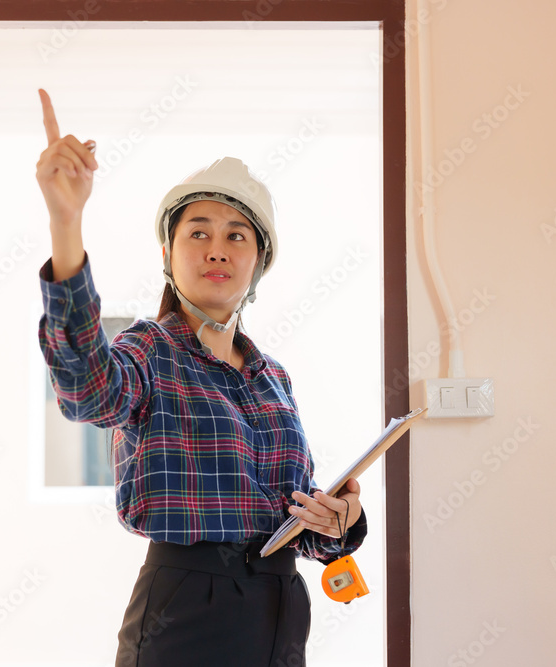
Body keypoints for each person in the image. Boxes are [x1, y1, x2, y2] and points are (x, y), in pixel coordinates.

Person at [34, 88, 368, 667]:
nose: (218, 248)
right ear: (168, 252)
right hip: (185, 613)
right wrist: (67, 225)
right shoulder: (152, 348)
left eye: (238, 235)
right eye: (199, 231)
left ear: (258, 262)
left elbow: (293, 518)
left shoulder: (273, 379)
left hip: (281, 612)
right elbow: (88, 390)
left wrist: (339, 521)